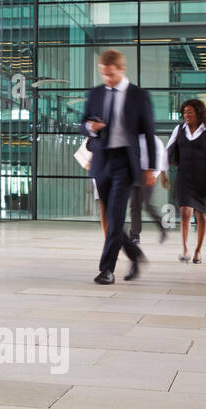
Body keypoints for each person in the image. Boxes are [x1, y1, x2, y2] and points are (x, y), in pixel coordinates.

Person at [80, 49, 157, 285]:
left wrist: (150, 168)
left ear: (122, 69)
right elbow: (82, 123)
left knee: (115, 216)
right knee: (109, 217)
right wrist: (92, 128)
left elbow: (149, 134)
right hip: (102, 161)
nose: (107, 80)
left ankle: (106, 270)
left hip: (125, 163)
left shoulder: (138, 96)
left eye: (111, 75)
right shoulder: (96, 93)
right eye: (103, 75)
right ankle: (135, 254)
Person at [166, 98, 206, 265]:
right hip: (184, 177)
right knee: (184, 212)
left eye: (189, 112)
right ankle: (185, 249)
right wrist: (160, 172)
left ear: (199, 112)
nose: (186, 115)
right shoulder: (179, 129)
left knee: (202, 215)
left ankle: (198, 250)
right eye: (184, 112)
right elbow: (167, 151)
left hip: (203, 178)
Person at [129, 132, 169, 246]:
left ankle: (163, 227)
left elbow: (160, 158)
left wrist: (154, 175)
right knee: (134, 206)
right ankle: (134, 236)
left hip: (148, 174)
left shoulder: (155, 140)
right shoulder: (135, 137)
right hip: (135, 174)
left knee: (147, 205)